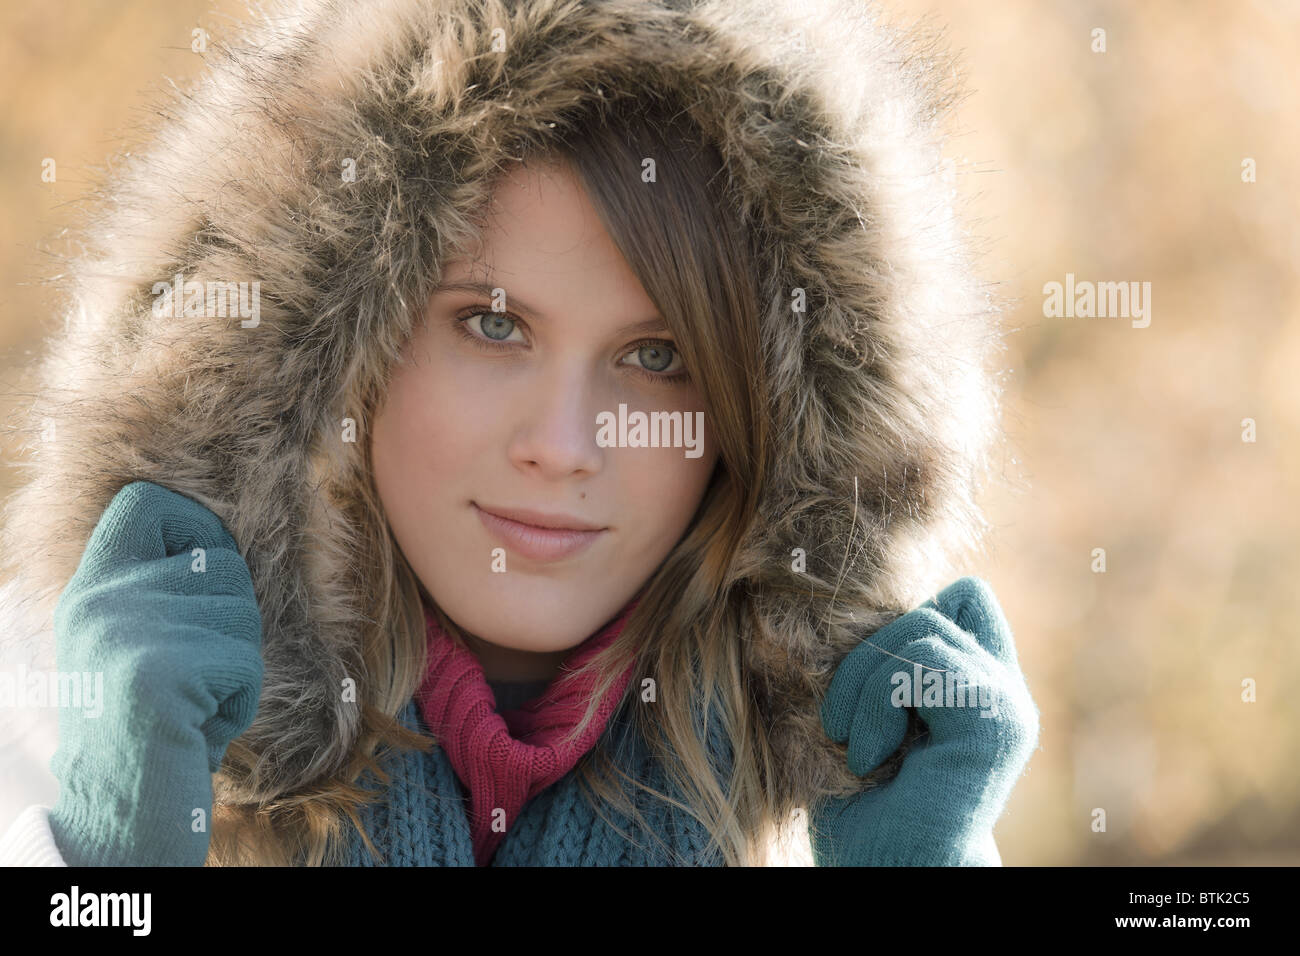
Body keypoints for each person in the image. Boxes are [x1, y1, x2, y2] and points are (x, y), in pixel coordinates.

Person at [0, 0, 1038, 866]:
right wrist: (98, 867)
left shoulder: (848, 801)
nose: (564, 442)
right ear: (330, 349)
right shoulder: (70, 707)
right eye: (492, 325)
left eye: (659, 356)